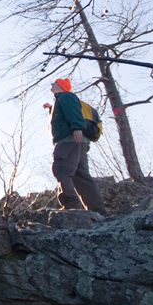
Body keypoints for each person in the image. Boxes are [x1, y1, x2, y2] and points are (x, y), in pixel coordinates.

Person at [43, 77, 107, 215]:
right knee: (81, 176)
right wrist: (51, 109)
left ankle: (72, 206)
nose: (51, 84)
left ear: (60, 85)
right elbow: (65, 115)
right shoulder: (62, 99)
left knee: (62, 170)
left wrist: (77, 127)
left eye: (54, 82)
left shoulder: (65, 96)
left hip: (69, 141)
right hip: (79, 142)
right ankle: (98, 211)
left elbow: (73, 112)